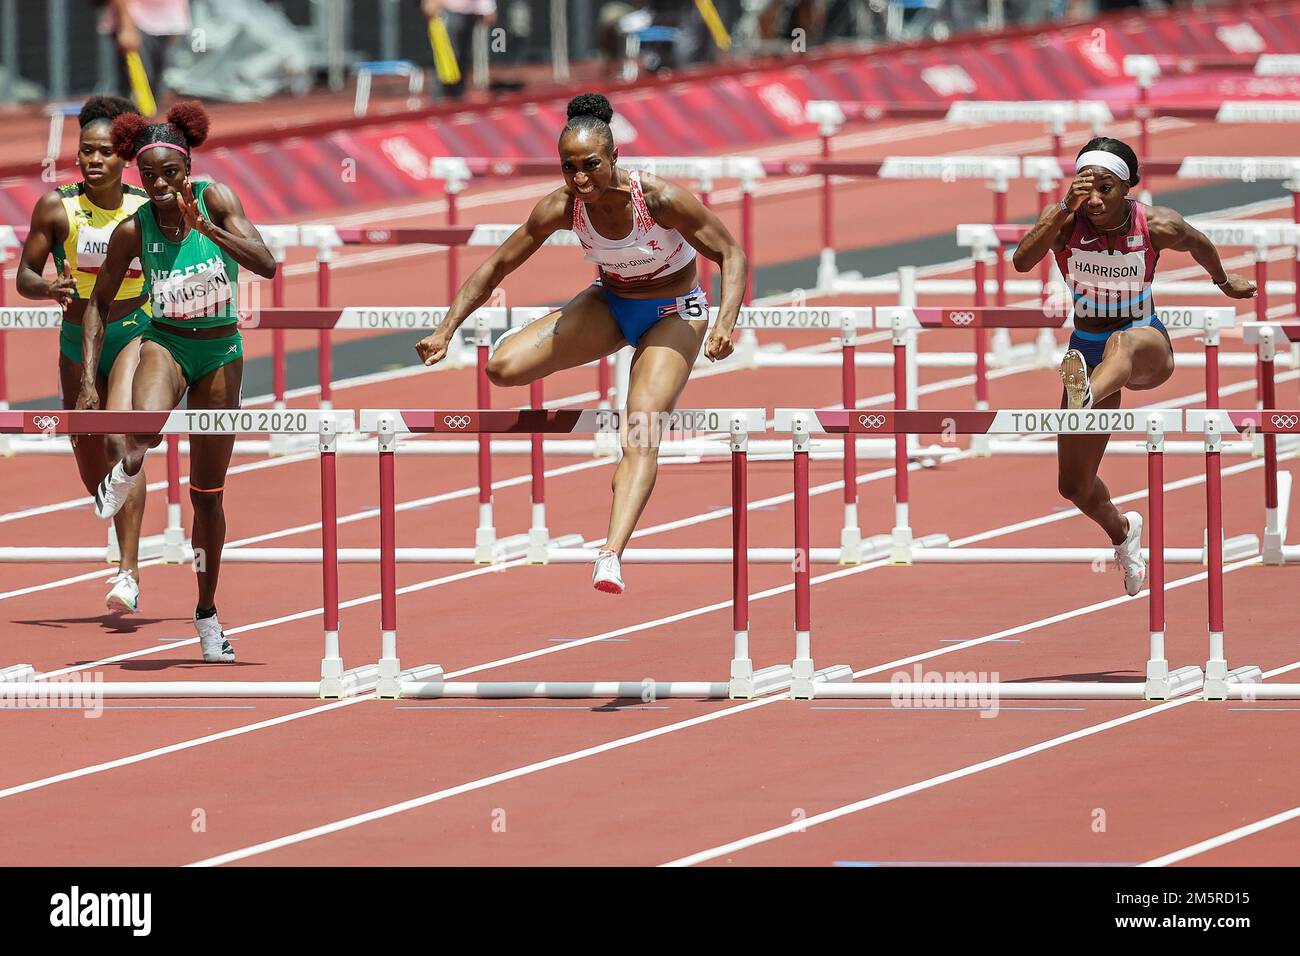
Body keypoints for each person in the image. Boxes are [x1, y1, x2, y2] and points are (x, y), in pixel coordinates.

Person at [415, 92, 746, 595]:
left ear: (615, 159)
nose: (581, 179)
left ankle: (609, 554)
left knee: (640, 426)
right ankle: (551, 331)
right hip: (611, 304)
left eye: (591, 165)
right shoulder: (563, 207)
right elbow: (497, 266)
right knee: (501, 369)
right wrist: (447, 327)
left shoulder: (658, 199)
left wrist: (725, 322)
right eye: (569, 168)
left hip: (675, 313)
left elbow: (731, 253)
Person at [1012, 136, 1256, 596]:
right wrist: (1063, 206)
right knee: (1075, 486)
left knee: (1121, 344)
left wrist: (1224, 282)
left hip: (1146, 344)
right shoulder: (1066, 222)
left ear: (1127, 188)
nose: (1096, 199)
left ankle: (1082, 397)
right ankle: (1123, 533)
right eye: (1088, 188)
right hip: (1086, 346)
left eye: (1107, 187)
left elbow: (1200, 243)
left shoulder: (1156, 225)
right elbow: (1023, 261)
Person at [79, 102, 277, 663]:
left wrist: (206, 229)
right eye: (149, 176)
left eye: (170, 173)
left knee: (207, 498)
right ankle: (126, 469)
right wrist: (92, 383)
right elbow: (97, 303)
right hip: (166, 341)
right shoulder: (133, 227)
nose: (161, 185)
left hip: (220, 351)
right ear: (138, 177)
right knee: (141, 431)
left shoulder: (216, 199)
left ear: (187, 167)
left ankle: (207, 613)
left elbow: (266, 264)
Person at [16, 95, 152, 614]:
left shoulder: (145, 207)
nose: (93, 161)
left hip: (132, 331)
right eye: (86, 151)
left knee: (121, 436)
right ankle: (116, 522)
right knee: (88, 451)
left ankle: (129, 571)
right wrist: (49, 288)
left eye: (104, 152)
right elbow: (24, 276)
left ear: (124, 156)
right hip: (77, 340)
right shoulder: (57, 206)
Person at [97, 0, 192, 104]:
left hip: (168, 26)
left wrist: (176, 23)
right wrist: (127, 27)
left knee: (152, 95)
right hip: (136, 23)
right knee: (127, 98)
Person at [421, 0, 496, 100]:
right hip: (446, 11)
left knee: (463, 56)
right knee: (448, 54)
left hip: (470, 13)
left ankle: (457, 95)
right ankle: (440, 95)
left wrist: (488, 8)